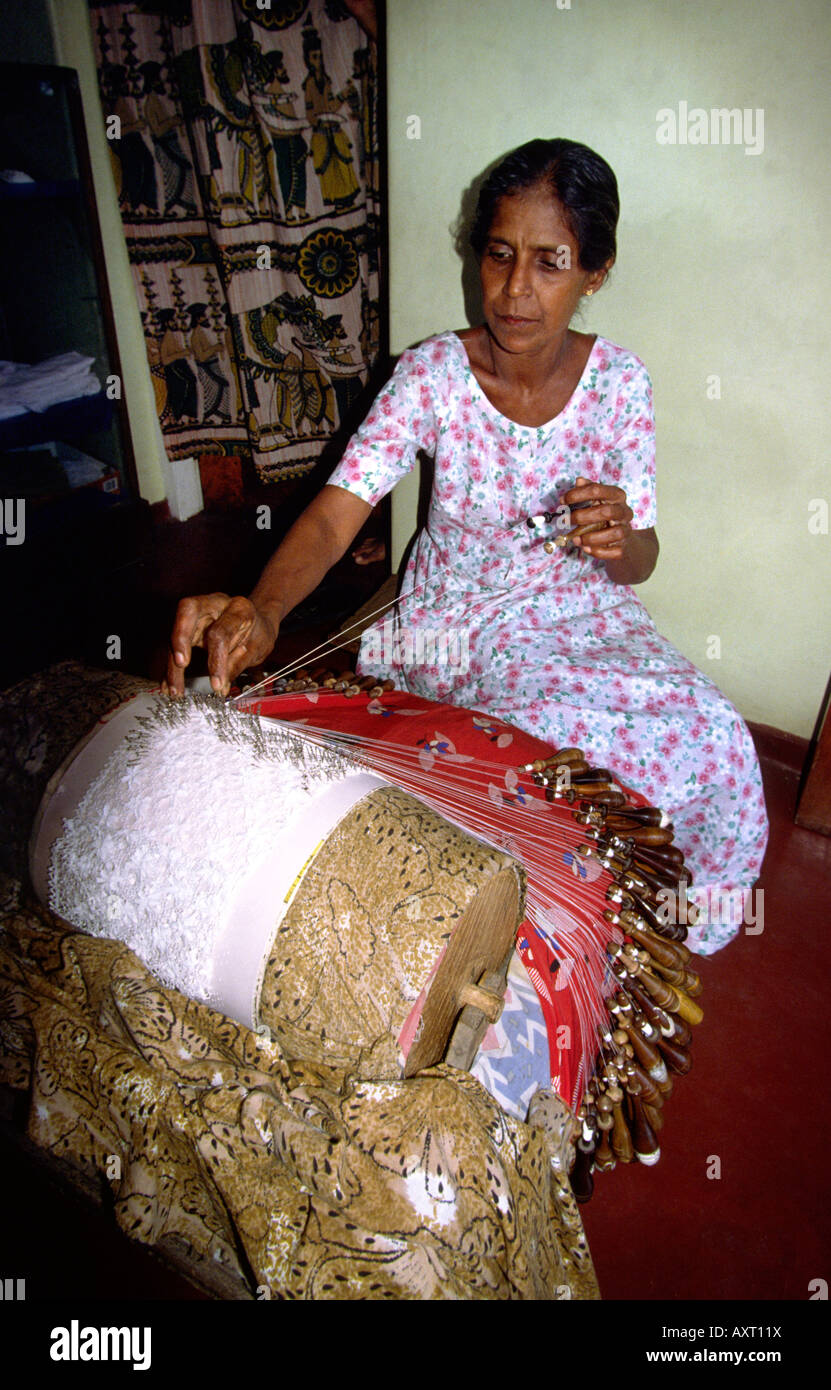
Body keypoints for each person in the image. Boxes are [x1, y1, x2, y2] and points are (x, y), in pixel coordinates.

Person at [165, 138, 768, 953]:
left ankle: (640, 932)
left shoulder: (621, 384)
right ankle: (520, 934)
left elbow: (641, 560)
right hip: (457, 622)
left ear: (595, 272)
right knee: (530, 755)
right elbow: (337, 512)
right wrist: (265, 608)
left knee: (714, 733)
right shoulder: (431, 378)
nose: (515, 290)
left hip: (581, 615)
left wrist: (618, 540)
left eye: (549, 262)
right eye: (498, 255)